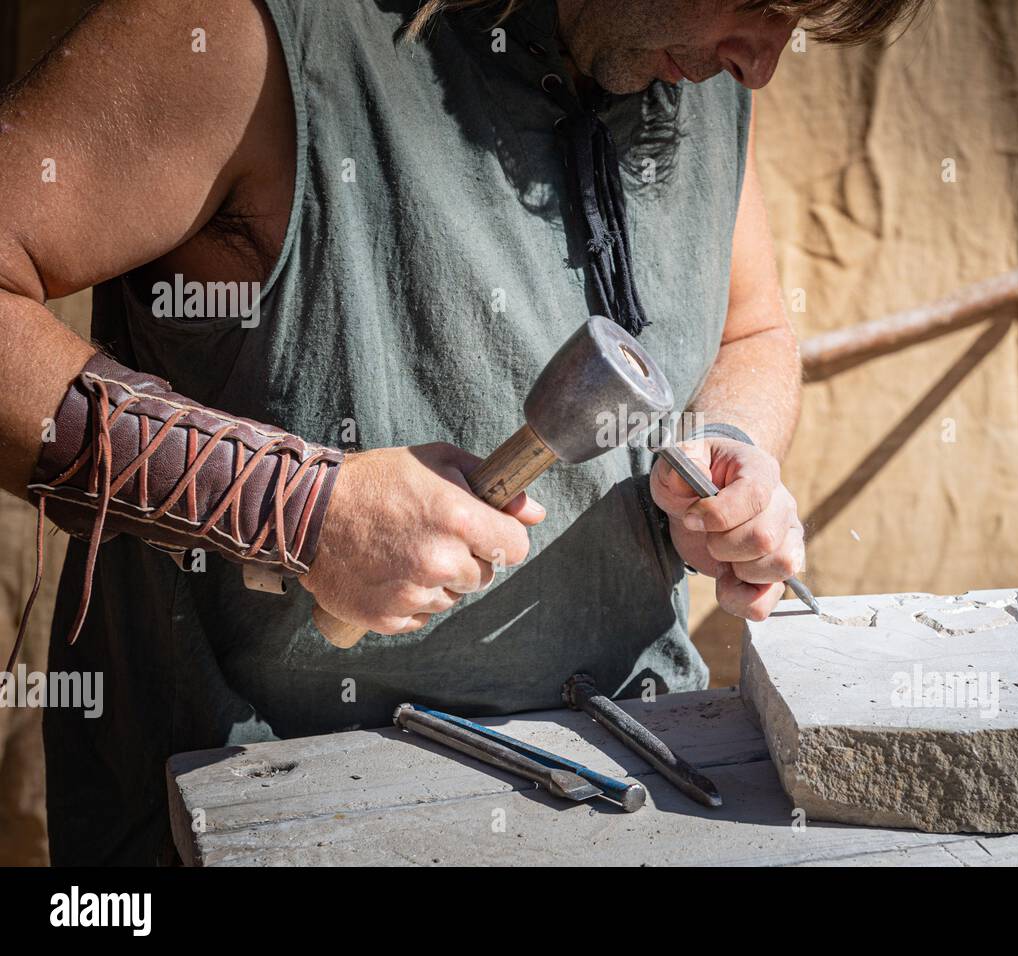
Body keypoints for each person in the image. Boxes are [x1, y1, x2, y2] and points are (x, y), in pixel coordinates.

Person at [0, 0, 922, 863]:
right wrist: (296, 507)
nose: (762, 64)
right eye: (759, 0)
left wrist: (734, 446)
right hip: (266, 813)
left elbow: (751, 327)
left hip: (636, 788)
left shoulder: (698, 73)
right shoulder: (243, 36)